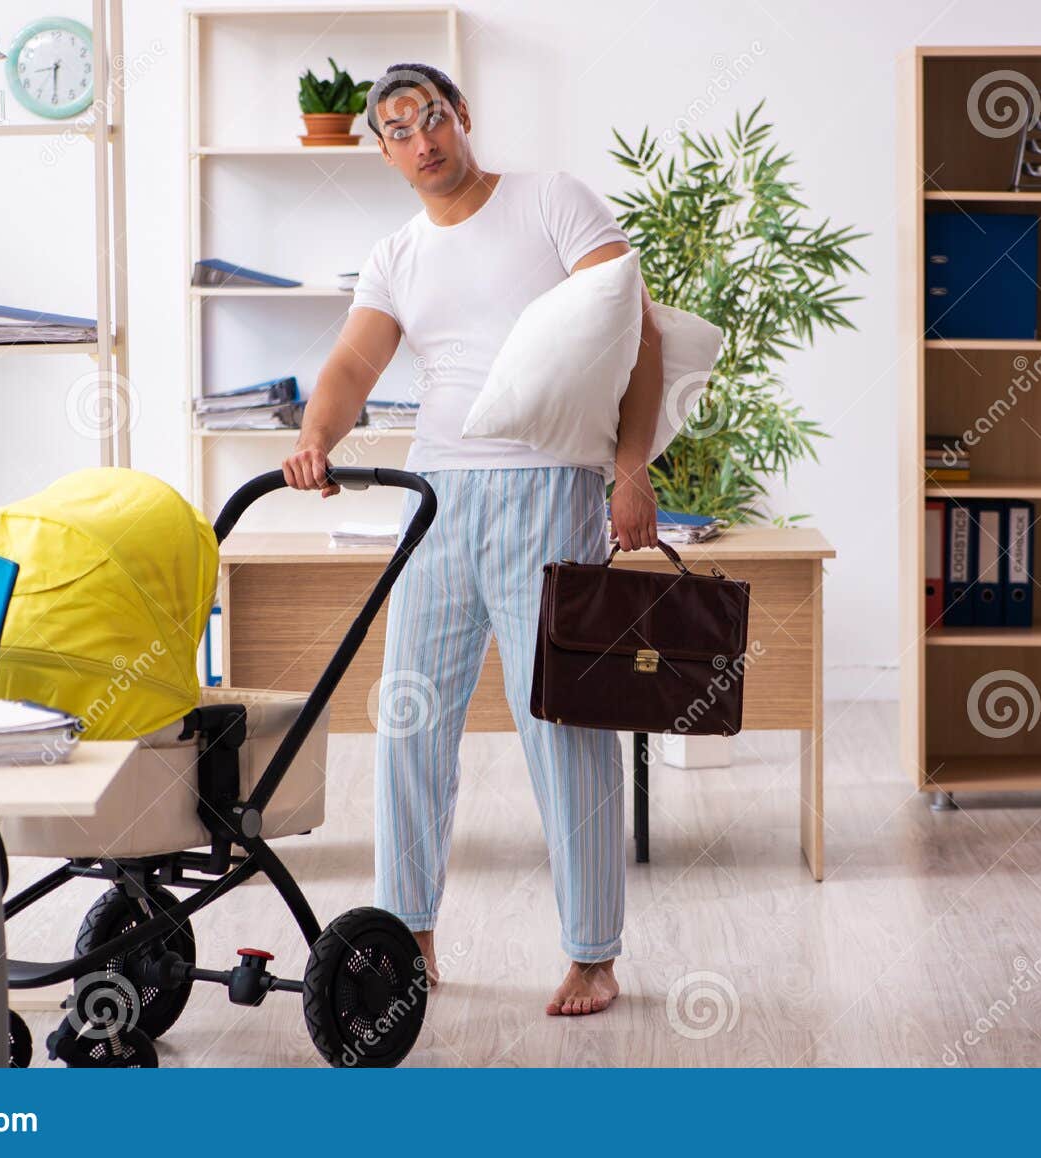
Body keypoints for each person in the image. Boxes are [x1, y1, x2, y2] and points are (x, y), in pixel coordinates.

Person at [281, 62, 663, 1016]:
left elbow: (639, 336)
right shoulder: (397, 253)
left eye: (434, 117)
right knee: (409, 716)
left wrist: (628, 468)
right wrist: (316, 436)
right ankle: (406, 931)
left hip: (548, 487)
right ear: (383, 149)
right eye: (399, 128)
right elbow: (353, 360)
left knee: (562, 723)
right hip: (436, 498)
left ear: (462, 117)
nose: (422, 140)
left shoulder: (551, 202)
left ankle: (593, 950)